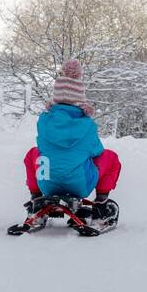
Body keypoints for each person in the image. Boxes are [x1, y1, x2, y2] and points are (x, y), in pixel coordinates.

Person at [22, 59, 120, 224]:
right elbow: (96, 151)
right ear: (80, 100)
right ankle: (101, 204)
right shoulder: (87, 124)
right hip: (79, 185)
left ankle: (36, 200)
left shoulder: (44, 122)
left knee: (33, 153)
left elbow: (43, 147)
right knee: (110, 157)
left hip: (47, 184)